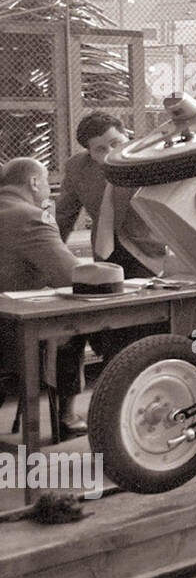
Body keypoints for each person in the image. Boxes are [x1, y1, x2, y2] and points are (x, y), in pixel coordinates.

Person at [0, 158, 87, 435]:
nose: (48, 190)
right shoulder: (31, 216)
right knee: (77, 325)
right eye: (48, 183)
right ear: (34, 182)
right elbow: (70, 275)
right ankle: (68, 417)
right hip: (14, 332)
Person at [55, 112, 167, 278]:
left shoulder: (151, 160)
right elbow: (63, 216)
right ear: (89, 152)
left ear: (127, 136)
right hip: (104, 252)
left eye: (116, 143)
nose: (111, 152)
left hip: (148, 252)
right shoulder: (77, 168)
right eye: (100, 149)